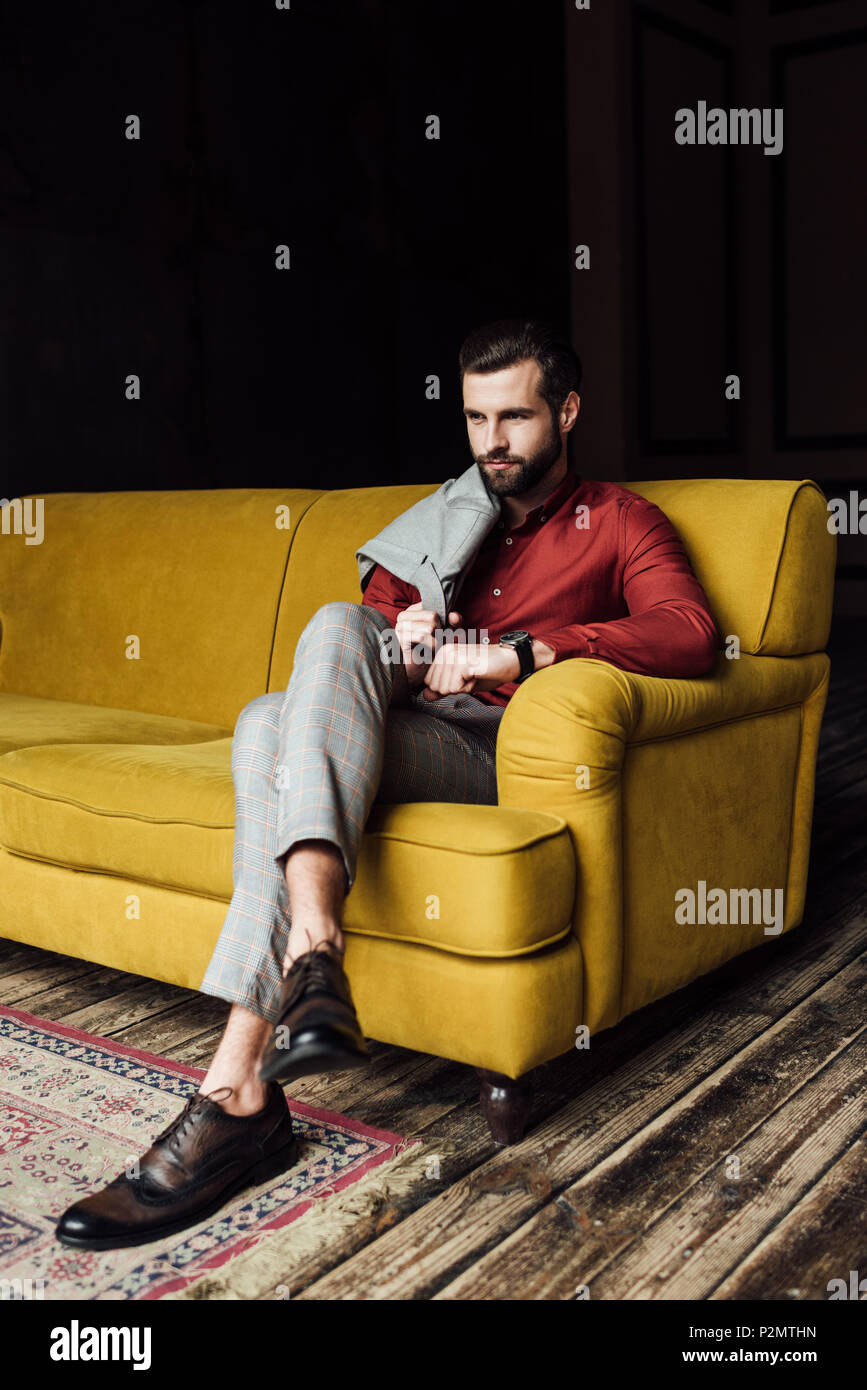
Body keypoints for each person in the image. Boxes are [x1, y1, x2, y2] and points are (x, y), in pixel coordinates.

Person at [55, 318, 718, 1249]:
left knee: (265, 728)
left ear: (566, 411)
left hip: (492, 752)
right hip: (400, 733)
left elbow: (690, 631)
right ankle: (275, 1022)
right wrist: (404, 651)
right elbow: (354, 657)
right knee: (291, 685)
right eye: (476, 417)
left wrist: (523, 649)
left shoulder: (616, 521)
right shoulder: (443, 521)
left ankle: (246, 1082)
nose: (492, 441)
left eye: (516, 417)